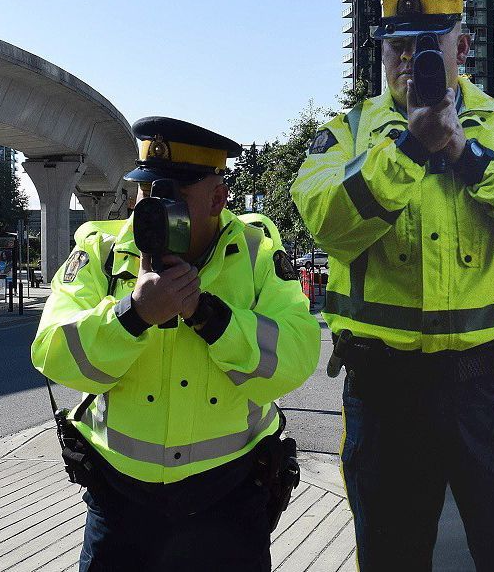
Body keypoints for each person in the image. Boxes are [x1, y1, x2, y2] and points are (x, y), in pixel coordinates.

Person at [291, 0, 494, 571]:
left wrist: (466, 155)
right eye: (397, 45)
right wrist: (407, 152)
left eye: (427, 44)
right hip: (386, 395)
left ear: (463, 47)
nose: (410, 59)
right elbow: (327, 223)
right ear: (380, 52)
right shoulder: (345, 136)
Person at [31, 116, 321, 571]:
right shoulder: (101, 249)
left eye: (173, 195)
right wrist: (133, 314)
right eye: (147, 191)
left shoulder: (257, 253)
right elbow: (52, 352)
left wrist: (210, 318)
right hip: (122, 502)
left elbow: (298, 355)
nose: (154, 208)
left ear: (217, 198)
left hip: (227, 499)